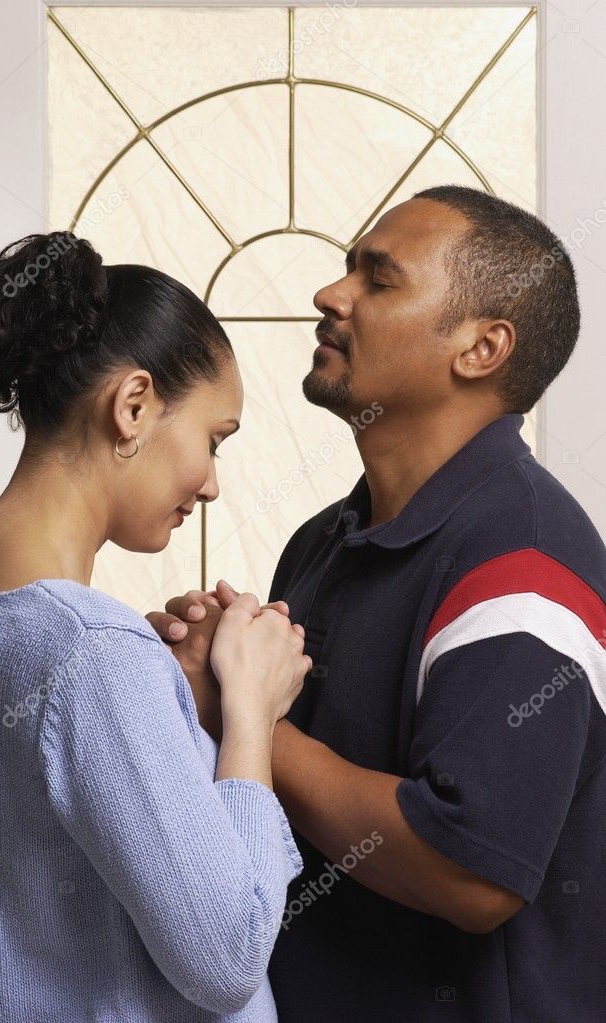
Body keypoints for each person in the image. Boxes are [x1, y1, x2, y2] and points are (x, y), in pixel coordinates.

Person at [150, 186, 606, 1023]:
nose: (331, 294)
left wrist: (240, 713)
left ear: (482, 347)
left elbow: (474, 872)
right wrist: (197, 669)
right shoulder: (322, 539)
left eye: (378, 278)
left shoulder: (527, 558)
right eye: (344, 268)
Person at [0, 232, 312, 1022]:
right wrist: (249, 711)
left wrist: (170, 697)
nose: (209, 483)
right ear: (132, 406)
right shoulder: (93, 650)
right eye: (213, 439)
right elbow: (230, 954)